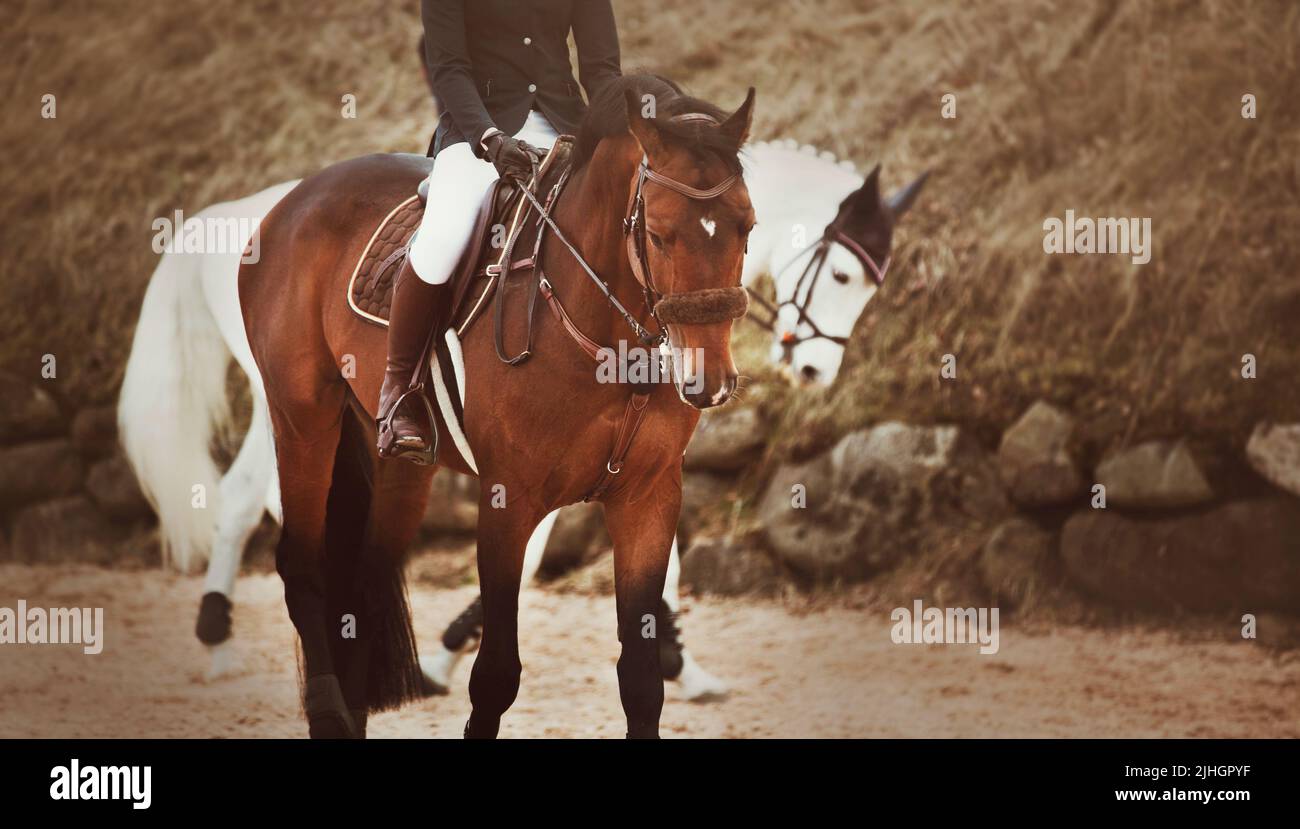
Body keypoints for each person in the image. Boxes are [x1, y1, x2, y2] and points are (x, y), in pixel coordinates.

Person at [379, 0, 622, 460]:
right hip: (478, 135)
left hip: (567, 127)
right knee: (443, 238)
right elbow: (449, 68)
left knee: (630, 219)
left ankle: (653, 356)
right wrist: (489, 137)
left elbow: (602, 68)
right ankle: (400, 390)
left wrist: (618, 135)